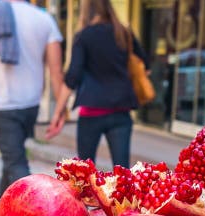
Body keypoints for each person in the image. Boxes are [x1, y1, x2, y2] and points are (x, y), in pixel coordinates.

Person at [0, 0, 65, 195]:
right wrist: (60, 110)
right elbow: (56, 72)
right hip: (31, 105)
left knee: (15, 163)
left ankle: (35, 205)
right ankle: (0, 211)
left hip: (2, 105)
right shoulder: (44, 19)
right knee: (12, 159)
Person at [45, 0, 148, 168]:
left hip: (91, 112)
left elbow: (73, 77)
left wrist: (58, 113)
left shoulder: (84, 36)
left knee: (86, 171)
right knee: (122, 173)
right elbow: (146, 66)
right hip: (121, 111)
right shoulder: (124, 33)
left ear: (87, 10)